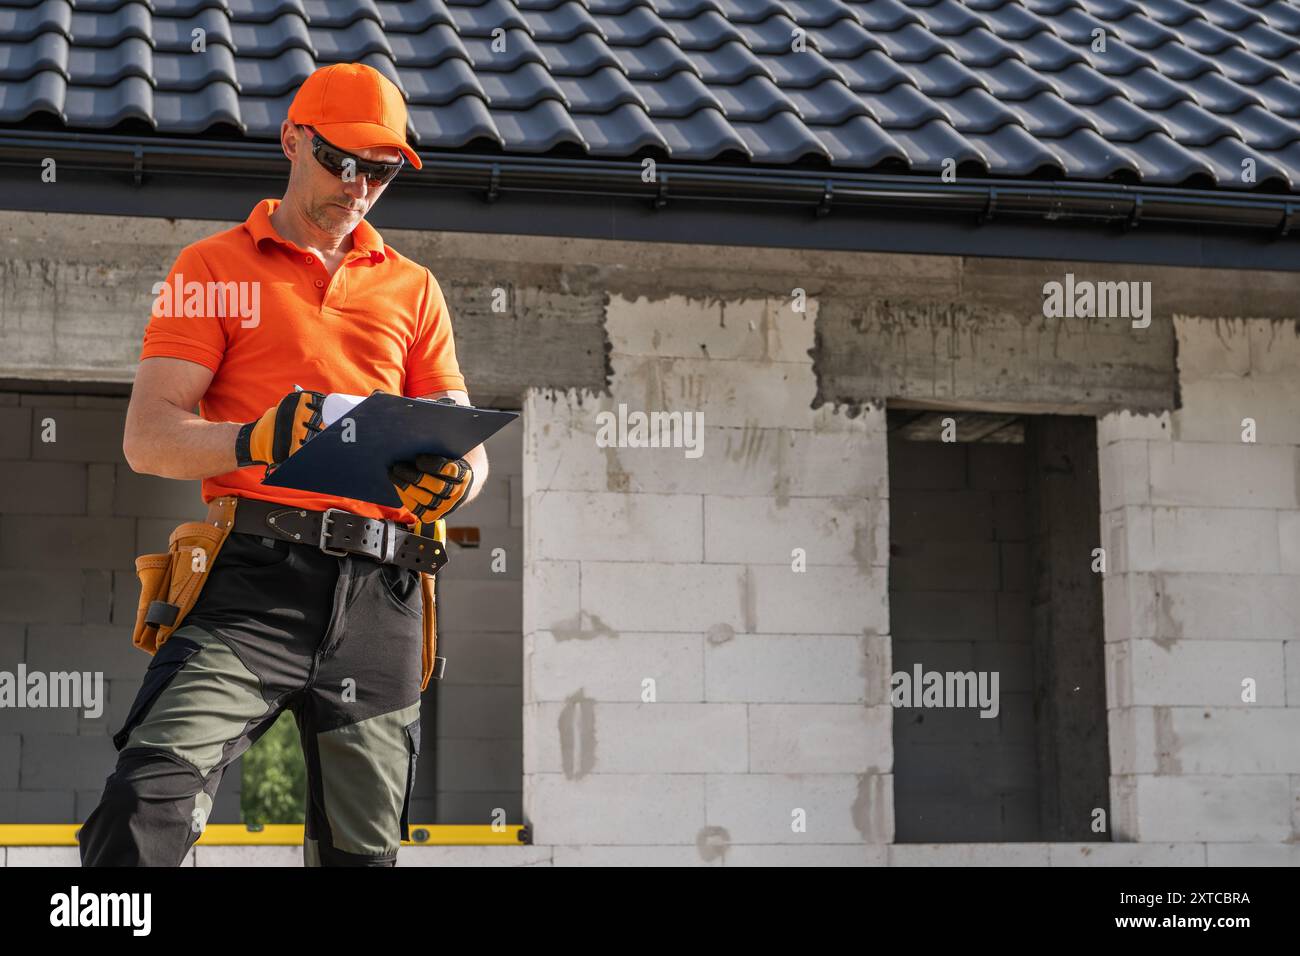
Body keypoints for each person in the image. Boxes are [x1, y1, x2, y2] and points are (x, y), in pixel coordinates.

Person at [79, 62, 488, 867]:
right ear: (293, 140)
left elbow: (464, 443)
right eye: (342, 161)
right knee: (144, 803)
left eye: (381, 170)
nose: (360, 184)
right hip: (252, 580)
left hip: (385, 592)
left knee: (362, 854)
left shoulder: (415, 289)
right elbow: (148, 437)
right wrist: (254, 440)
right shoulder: (210, 270)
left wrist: (457, 480)